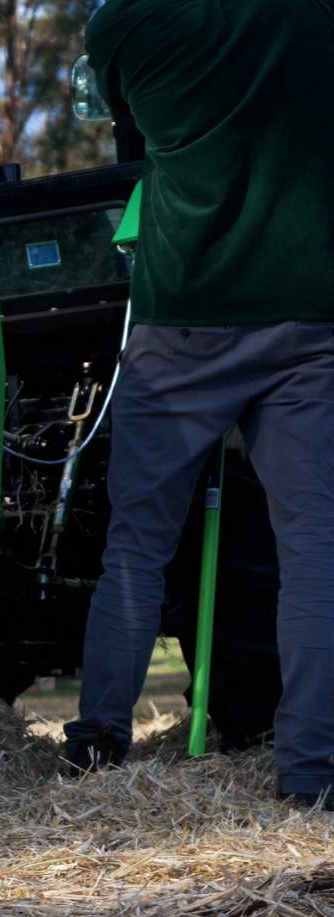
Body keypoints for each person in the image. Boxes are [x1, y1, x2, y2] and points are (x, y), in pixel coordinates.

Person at [64, 0, 334, 809]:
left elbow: (130, 148)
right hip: (309, 314)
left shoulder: (124, 28)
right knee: (315, 548)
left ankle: (98, 746)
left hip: (181, 315)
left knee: (137, 547)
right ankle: (311, 773)